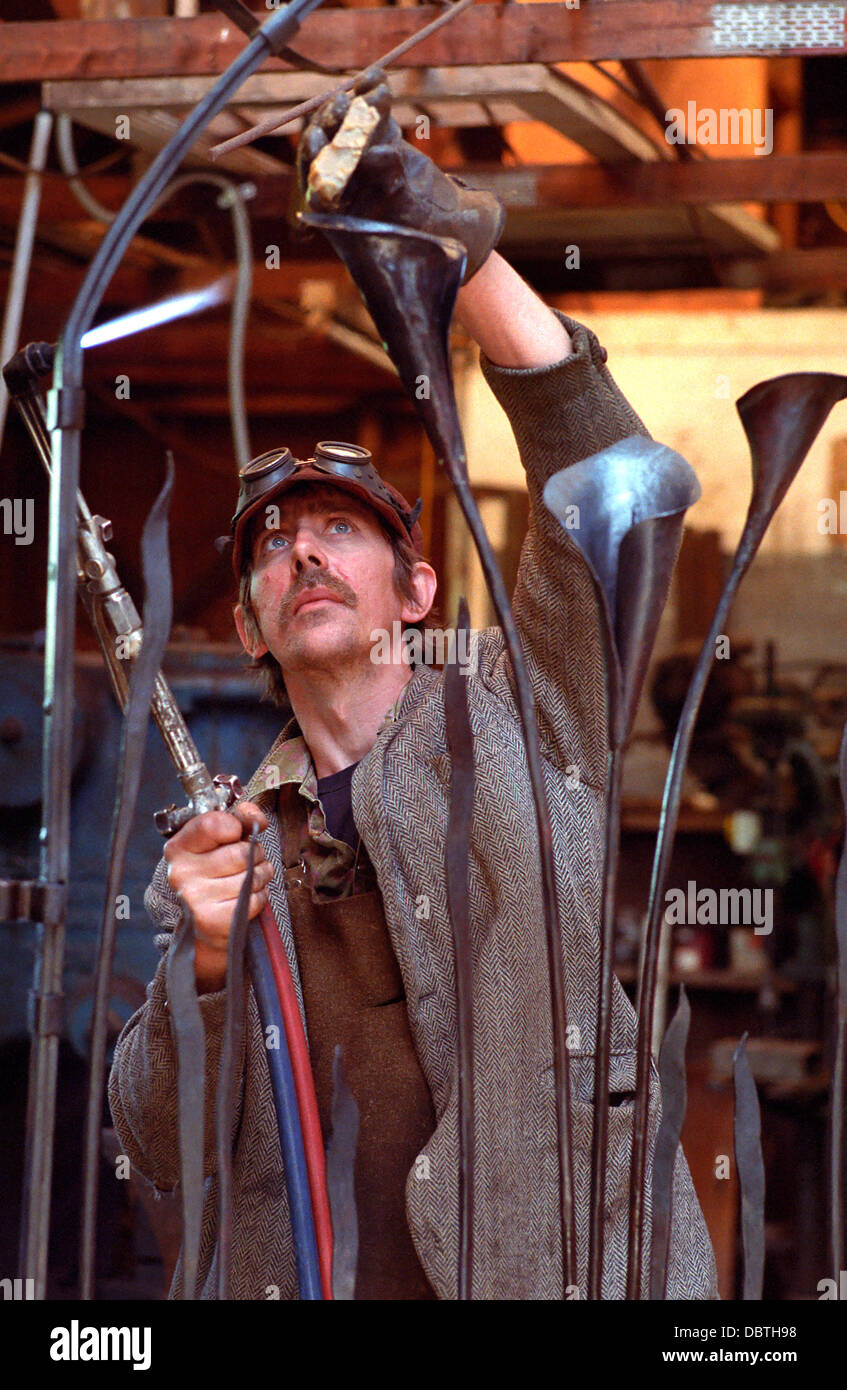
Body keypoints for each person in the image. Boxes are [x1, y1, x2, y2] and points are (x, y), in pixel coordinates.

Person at [109, 76, 718, 1300]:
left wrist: (451, 241)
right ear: (249, 629)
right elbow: (156, 1146)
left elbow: (617, 483)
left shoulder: (527, 697)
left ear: (419, 590)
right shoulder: (224, 838)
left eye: (339, 528)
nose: (303, 553)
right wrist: (210, 962)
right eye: (274, 548)